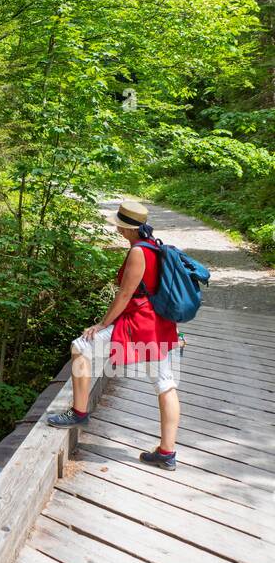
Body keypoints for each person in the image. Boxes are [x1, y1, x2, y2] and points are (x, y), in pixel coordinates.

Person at [47, 200, 181, 469]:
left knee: (80, 347)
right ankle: (167, 453)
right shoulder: (155, 245)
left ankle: (79, 412)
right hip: (160, 324)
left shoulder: (138, 253)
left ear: (129, 229)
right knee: (165, 384)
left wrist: (100, 324)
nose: (118, 231)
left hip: (140, 324)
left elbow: (124, 294)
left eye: (121, 227)